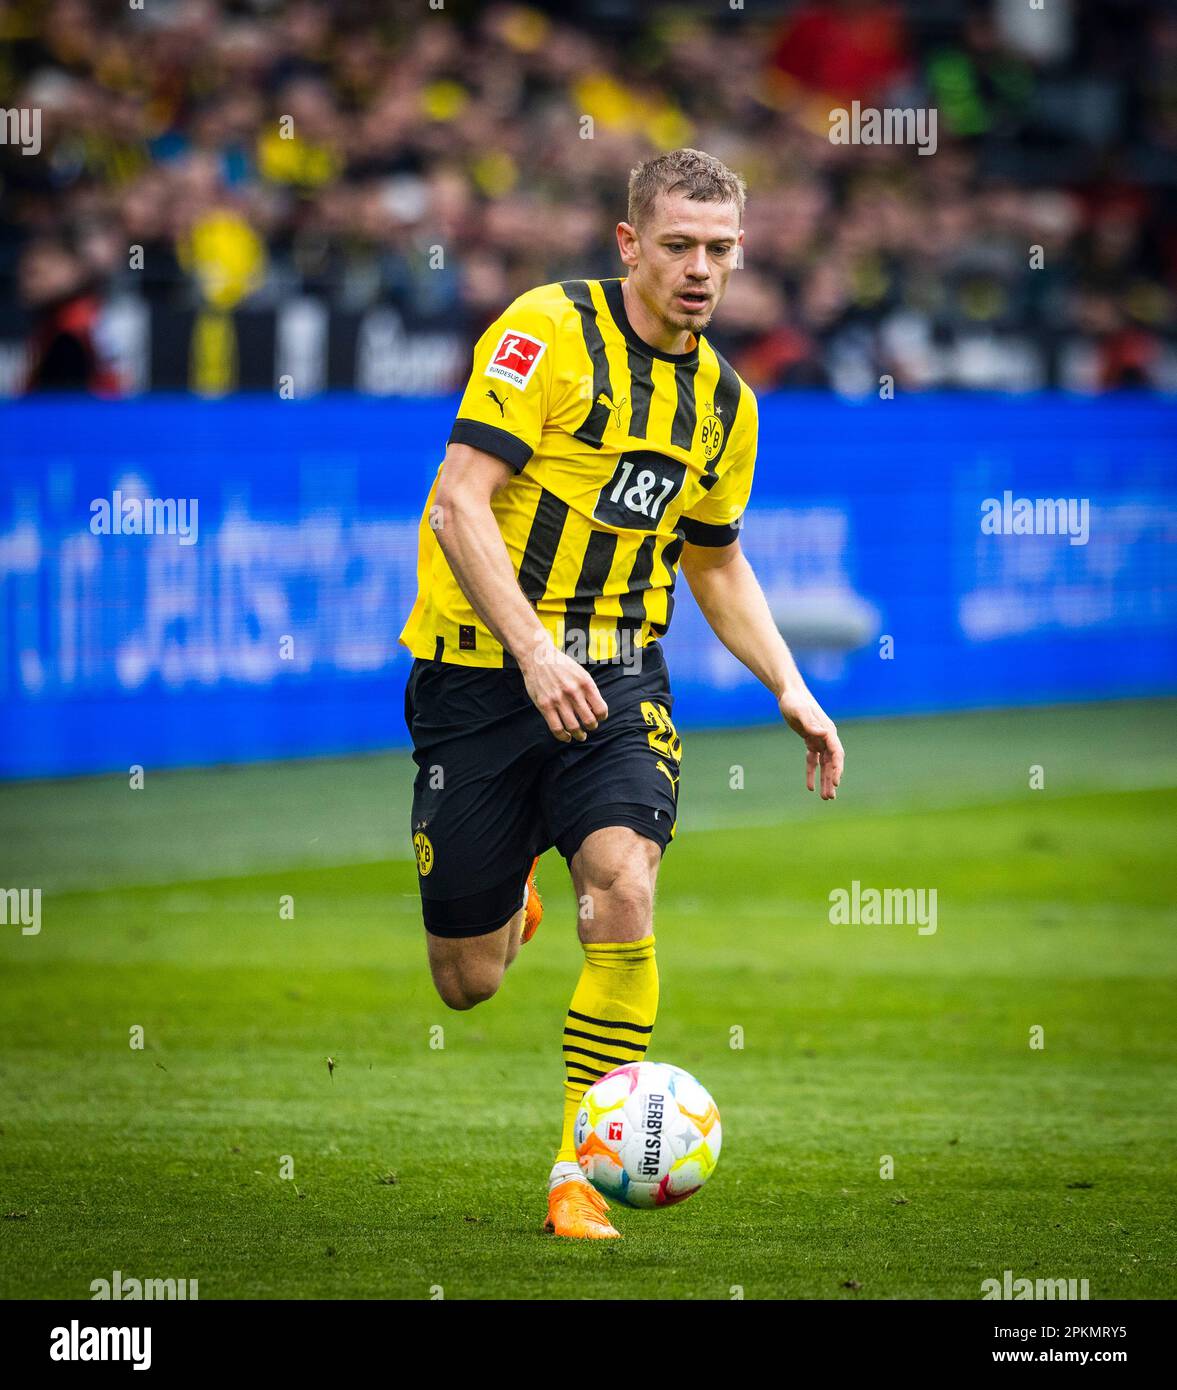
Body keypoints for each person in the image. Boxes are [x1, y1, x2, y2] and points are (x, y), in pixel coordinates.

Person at [398, 148, 844, 1239]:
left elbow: (715, 560)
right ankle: (509, 904)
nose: (702, 269)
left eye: (721, 250)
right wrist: (531, 651)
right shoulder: (542, 331)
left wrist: (787, 681)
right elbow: (460, 503)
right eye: (681, 245)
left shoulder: (724, 405)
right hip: (476, 676)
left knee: (624, 886)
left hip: (617, 677)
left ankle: (574, 1174)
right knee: (467, 981)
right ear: (630, 243)